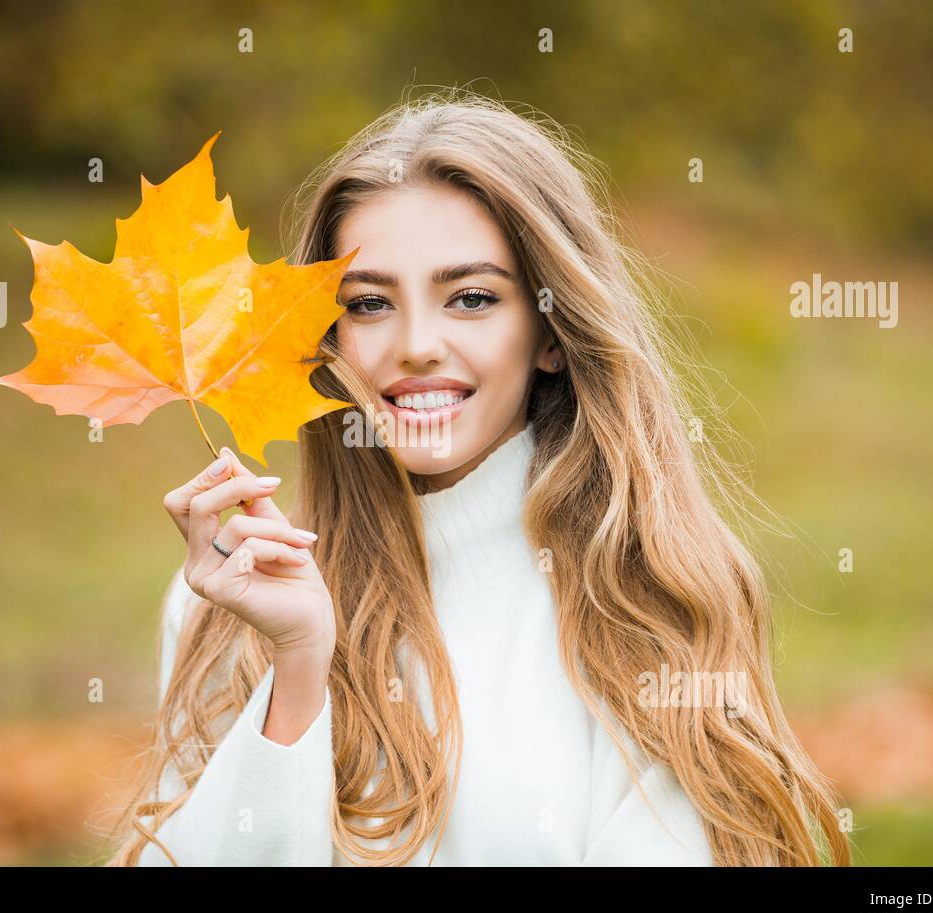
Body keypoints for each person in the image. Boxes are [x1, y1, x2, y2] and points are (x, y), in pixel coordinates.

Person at [108, 89, 850, 867]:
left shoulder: (646, 600)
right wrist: (297, 670)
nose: (418, 344)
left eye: (471, 298)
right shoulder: (230, 600)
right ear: (323, 335)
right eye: (368, 304)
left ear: (551, 335)